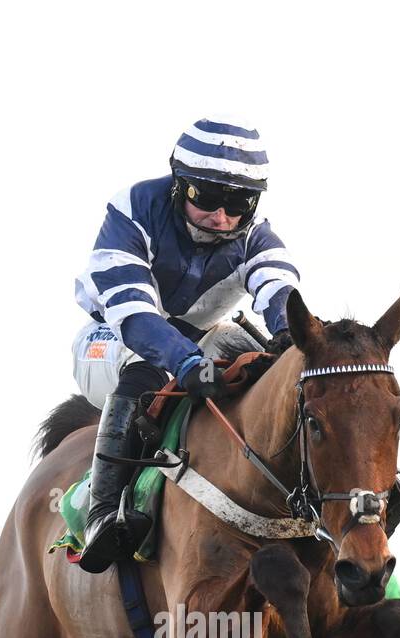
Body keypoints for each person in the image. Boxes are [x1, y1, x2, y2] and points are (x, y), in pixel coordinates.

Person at [72, 118, 300, 573]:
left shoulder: (256, 237)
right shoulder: (133, 208)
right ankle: (101, 515)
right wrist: (186, 361)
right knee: (147, 368)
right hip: (112, 336)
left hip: (202, 337)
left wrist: (293, 337)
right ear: (180, 185)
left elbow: (280, 290)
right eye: (207, 198)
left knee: (287, 364)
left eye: (239, 202)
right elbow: (135, 314)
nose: (221, 217)